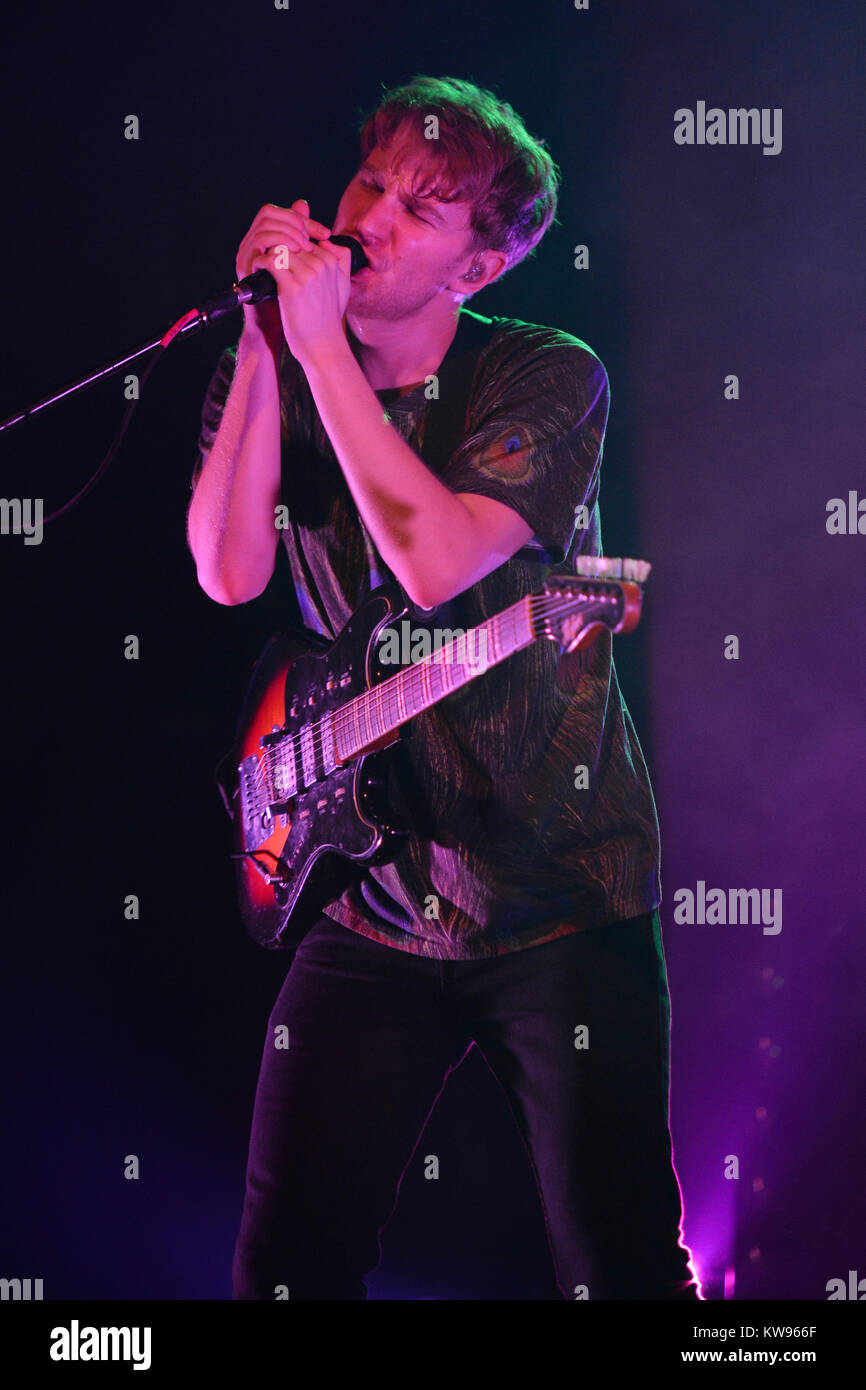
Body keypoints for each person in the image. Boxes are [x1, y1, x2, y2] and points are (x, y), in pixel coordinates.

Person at [187, 74, 700, 1301]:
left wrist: (322, 353)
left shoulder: (543, 374)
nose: (371, 214)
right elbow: (224, 569)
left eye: (421, 210)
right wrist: (270, 348)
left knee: (615, 1265)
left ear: (475, 268)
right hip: (371, 896)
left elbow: (427, 563)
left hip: (558, 897)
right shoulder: (278, 361)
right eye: (370, 181)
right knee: (286, 1262)